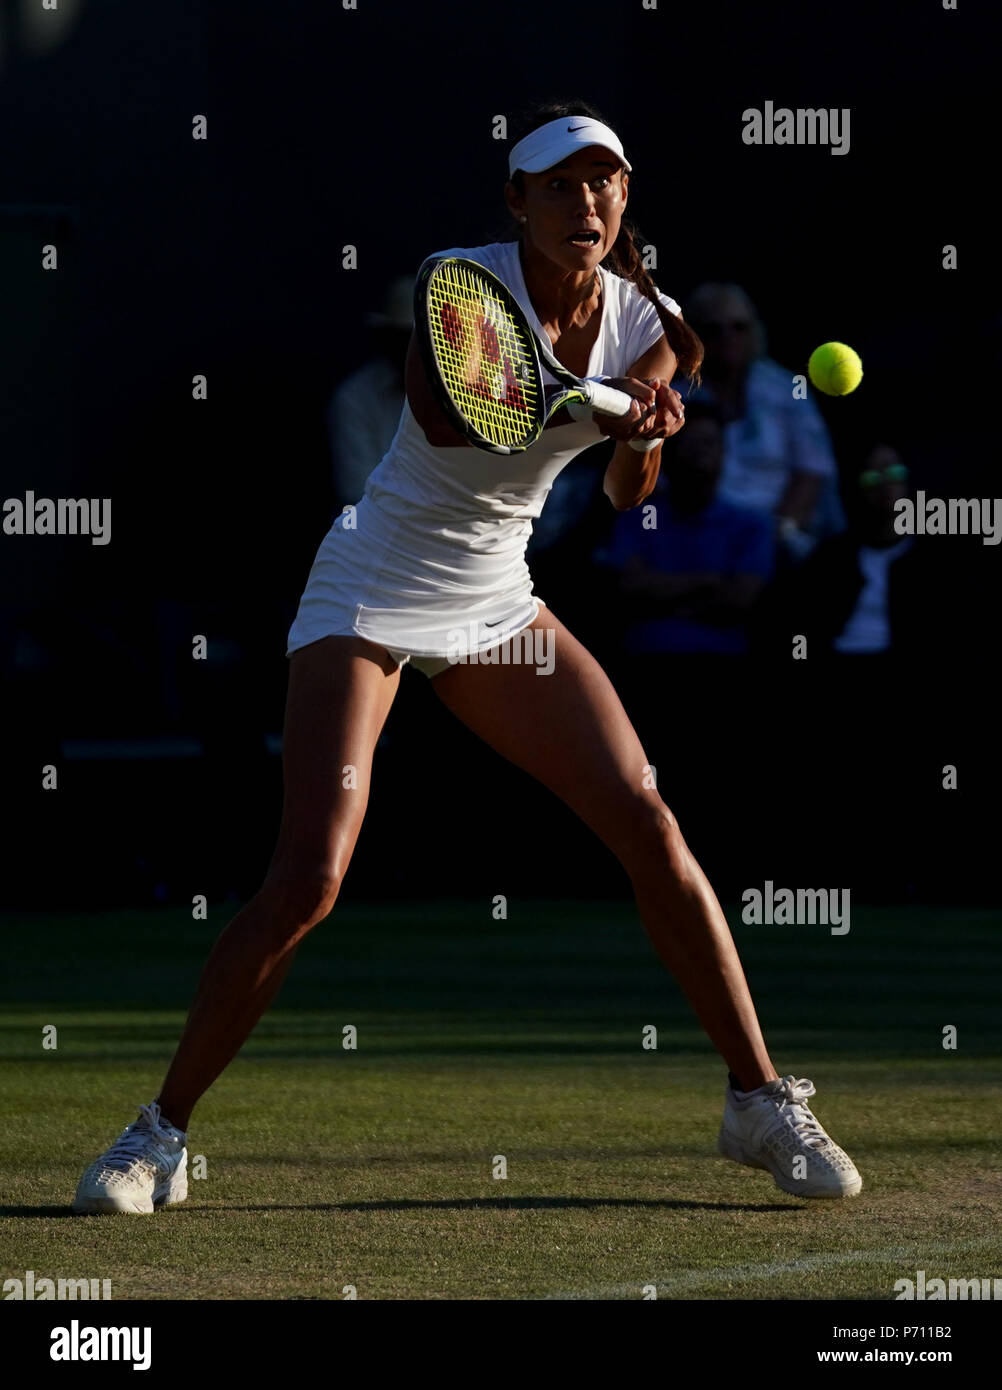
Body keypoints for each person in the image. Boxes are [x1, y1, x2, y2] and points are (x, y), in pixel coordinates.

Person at [73, 100, 861, 1215]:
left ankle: (758, 1097)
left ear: (625, 197)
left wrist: (642, 438)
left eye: (605, 183)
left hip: (498, 601)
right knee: (311, 876)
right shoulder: (463, 286)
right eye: (558, 185)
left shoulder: (650, 320)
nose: (585, 203)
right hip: (372, 588)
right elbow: (462, 423)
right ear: (517, 202)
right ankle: (158, 1136)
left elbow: (626, 493)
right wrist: (604, 400)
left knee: (646, 813)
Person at [680, 283, 844, 558]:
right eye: (713, 329)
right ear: (693, 335)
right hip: (695, 540)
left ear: (753, 330)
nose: (727, 336)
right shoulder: (674, 399)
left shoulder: (788, 390)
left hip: (778, 539)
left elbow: (812, 472)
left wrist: (773, 536)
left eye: (738, 326)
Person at [328, 275, 414, 511]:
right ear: (386, 338)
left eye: (421, 339)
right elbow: (357, 495)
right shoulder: (354, 398)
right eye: (404, 338)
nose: (412, 350)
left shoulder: (467, 396)